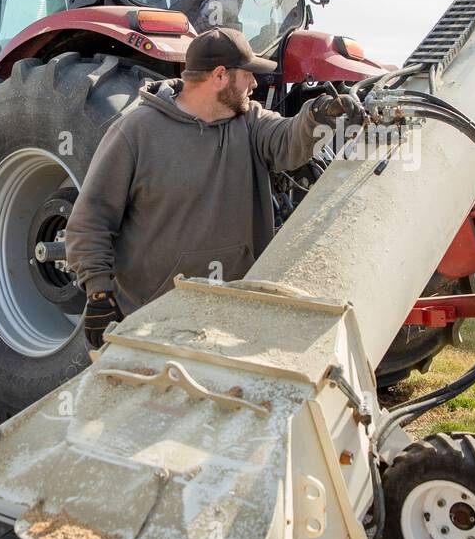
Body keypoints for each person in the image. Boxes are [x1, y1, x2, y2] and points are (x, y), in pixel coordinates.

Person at [65, 26, 362, 347]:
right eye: (247, 74)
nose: (253, 83)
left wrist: (318, 115)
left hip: (234, 314)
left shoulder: (250, 122)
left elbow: (288, 141)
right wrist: (98, 291)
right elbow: (91, 218)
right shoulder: (136, 132)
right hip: (153, 320)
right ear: (220, 76)